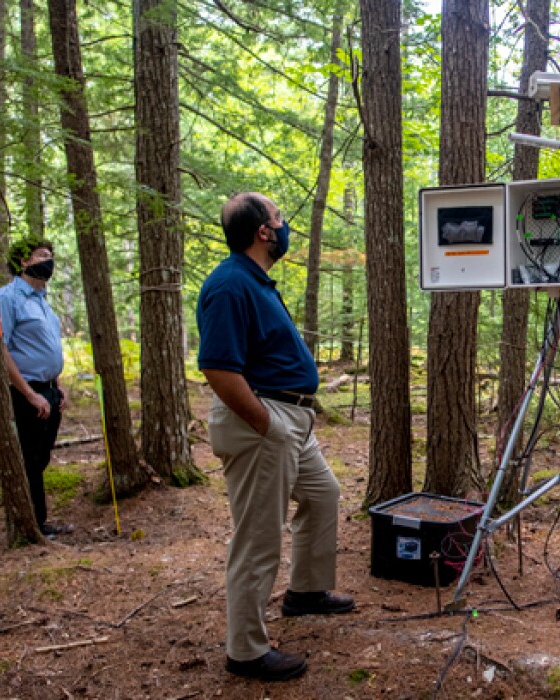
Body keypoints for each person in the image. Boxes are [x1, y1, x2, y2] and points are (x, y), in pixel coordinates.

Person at [197, 192, 355, 682]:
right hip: (263, 423)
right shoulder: (228, 285)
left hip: (289, 422)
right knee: (259, 537)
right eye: (279, 220)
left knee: (323, 493)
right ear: (263, 232)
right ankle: (244, 650)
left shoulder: (256, 282)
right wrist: (265, 424)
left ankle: (305, 592)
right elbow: (218, 367)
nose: (285, 227)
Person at [0, 239, 72, 538]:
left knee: (41, 458)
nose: (49, 260)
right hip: (27, 392)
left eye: (51, 255)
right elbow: (1, 350)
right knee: (29, 458)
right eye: (42, 255)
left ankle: (37, 519)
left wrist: (58, 385)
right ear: (23, 262)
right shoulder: (8, 297)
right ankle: (34, 525)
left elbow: (46, 345)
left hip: (50, 390)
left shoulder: (42, 299)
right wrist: (29, 393)